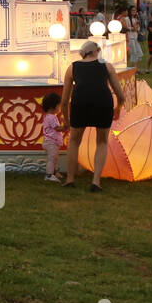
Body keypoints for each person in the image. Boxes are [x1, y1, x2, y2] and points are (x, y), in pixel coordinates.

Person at [60, 39, 126, 192]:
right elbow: (121, 95)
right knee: (101, 142)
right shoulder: (107, 66)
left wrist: (66, 120)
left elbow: (64, 101)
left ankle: (70, 178)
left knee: (74, 141)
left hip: (80, 103)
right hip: (103, 104)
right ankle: (96, 181)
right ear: (96, 51)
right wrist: (118, 108)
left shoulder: (72, 68)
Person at [41, 92, 64, 182]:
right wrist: (65, 127)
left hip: (49, 142)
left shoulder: (48, 116)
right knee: (52, 158)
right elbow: (57, 128)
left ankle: (53, 172)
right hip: (51, 142)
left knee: (54, 158)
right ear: (52, 107)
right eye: (59, 105)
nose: (60, 108)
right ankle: (49, 175)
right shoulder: (52, 117)